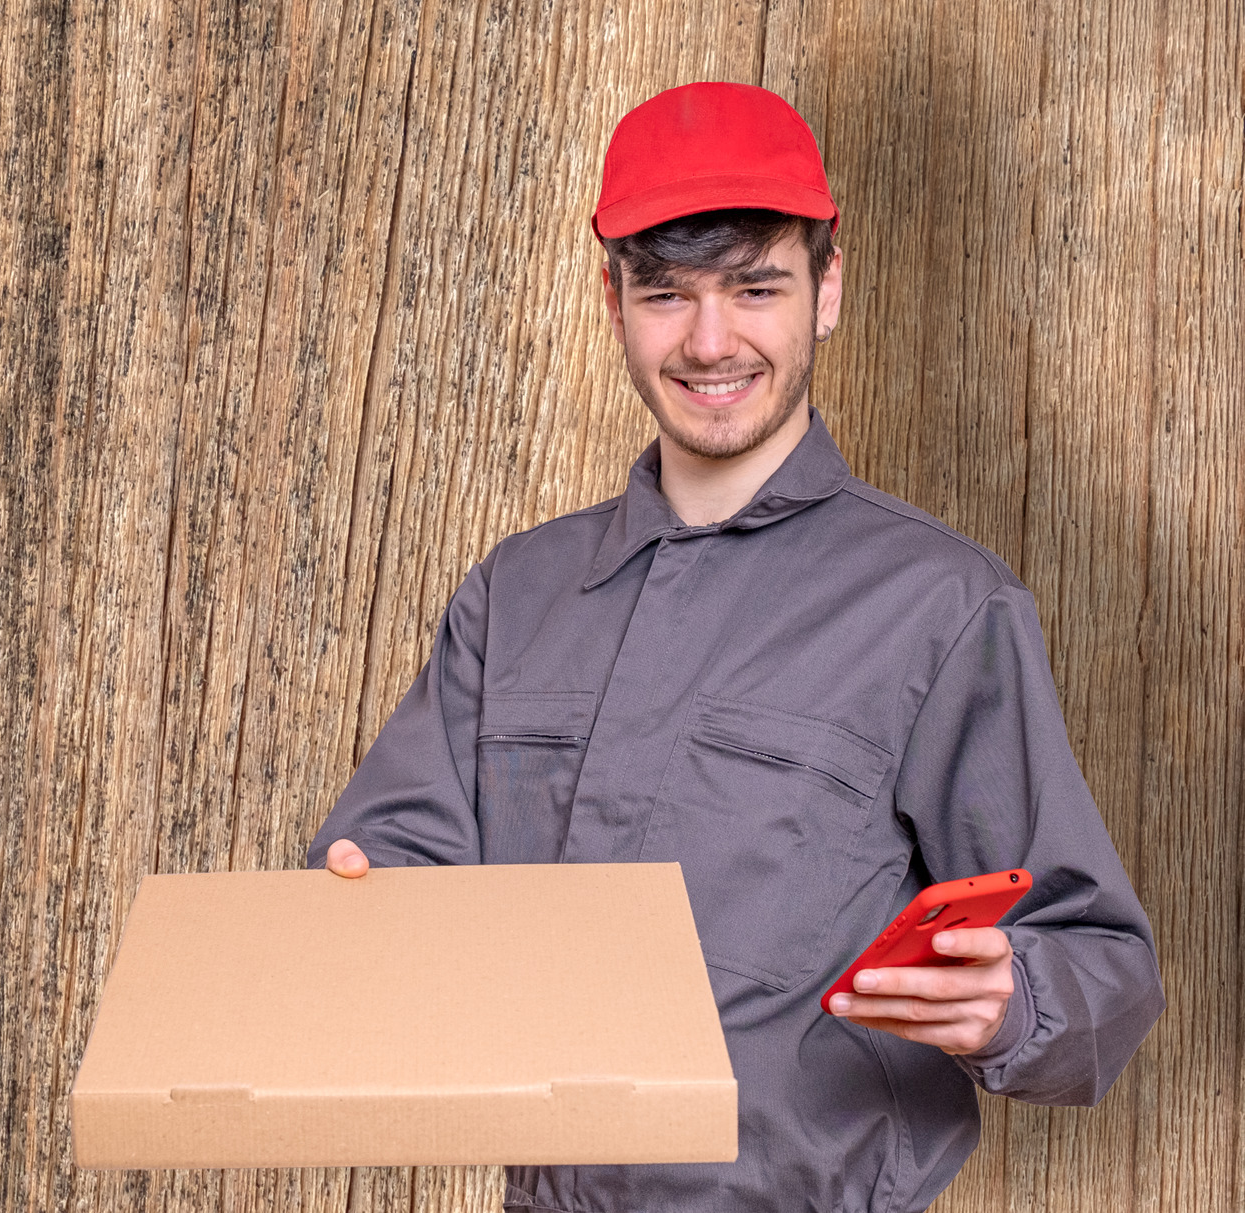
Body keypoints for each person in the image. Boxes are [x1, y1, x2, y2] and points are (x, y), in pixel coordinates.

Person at [304, 82, 1163, 1212]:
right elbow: (390, 867)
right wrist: (358, 913)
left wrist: (1014, 1003)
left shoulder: (940, 607)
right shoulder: (515, 593)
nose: (710, 342)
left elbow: (1100, 960)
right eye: (665, 294)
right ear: (609, 299)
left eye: (755, 287)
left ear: (826, 288)